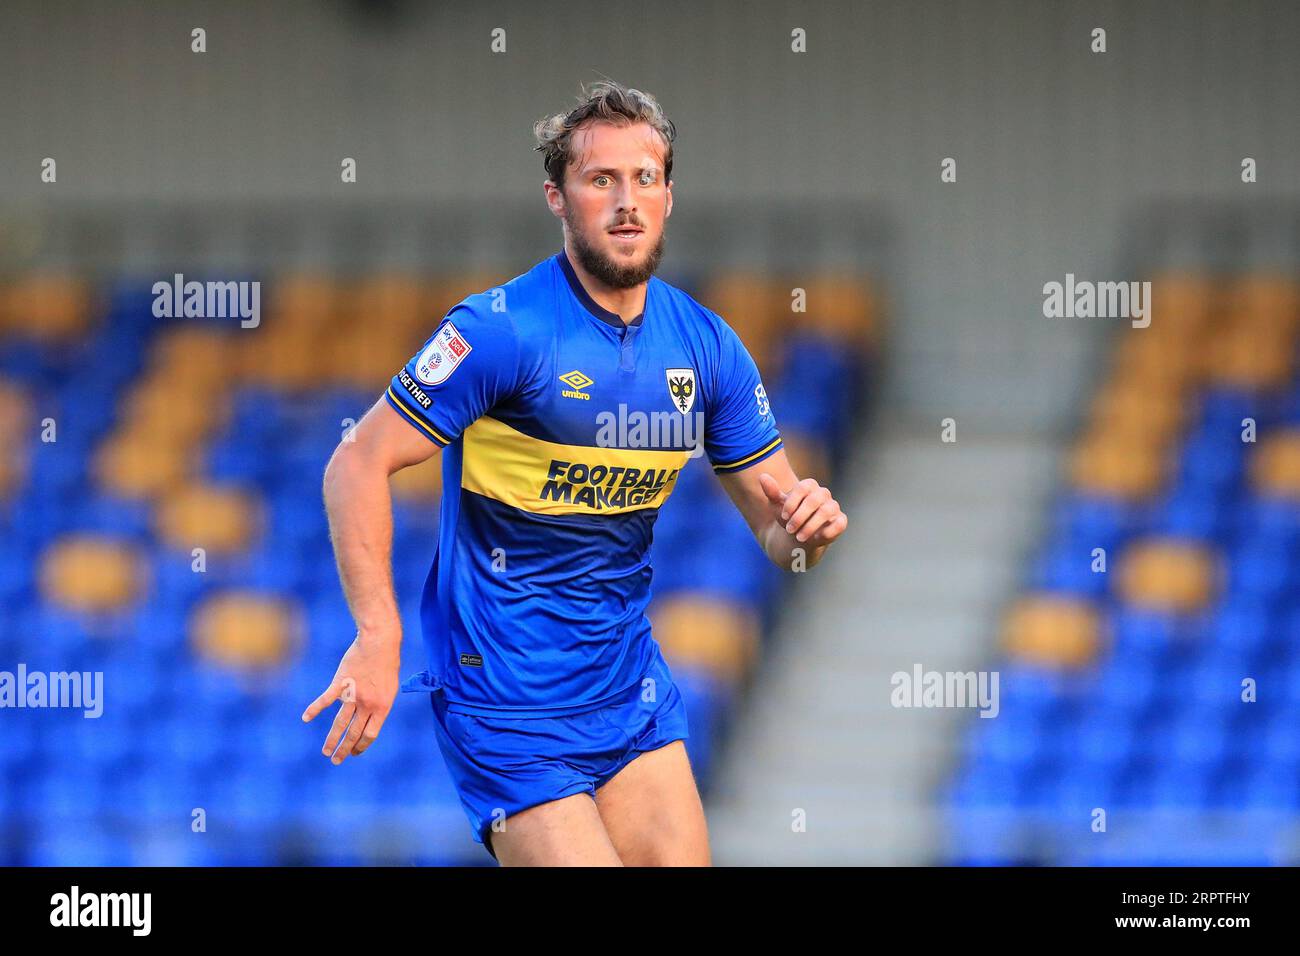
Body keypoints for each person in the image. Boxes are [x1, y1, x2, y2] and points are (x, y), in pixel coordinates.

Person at [304, 80, 848, 866]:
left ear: (667, 195)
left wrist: (807, 532)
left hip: (627, 692)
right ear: (558, 198)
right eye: (602, 181)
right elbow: (355, 461)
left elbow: (777, 531)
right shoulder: (500, 331)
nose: (627, 201)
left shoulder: (708, 346)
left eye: (646, 179)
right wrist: (379, 633)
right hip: (504, 703)